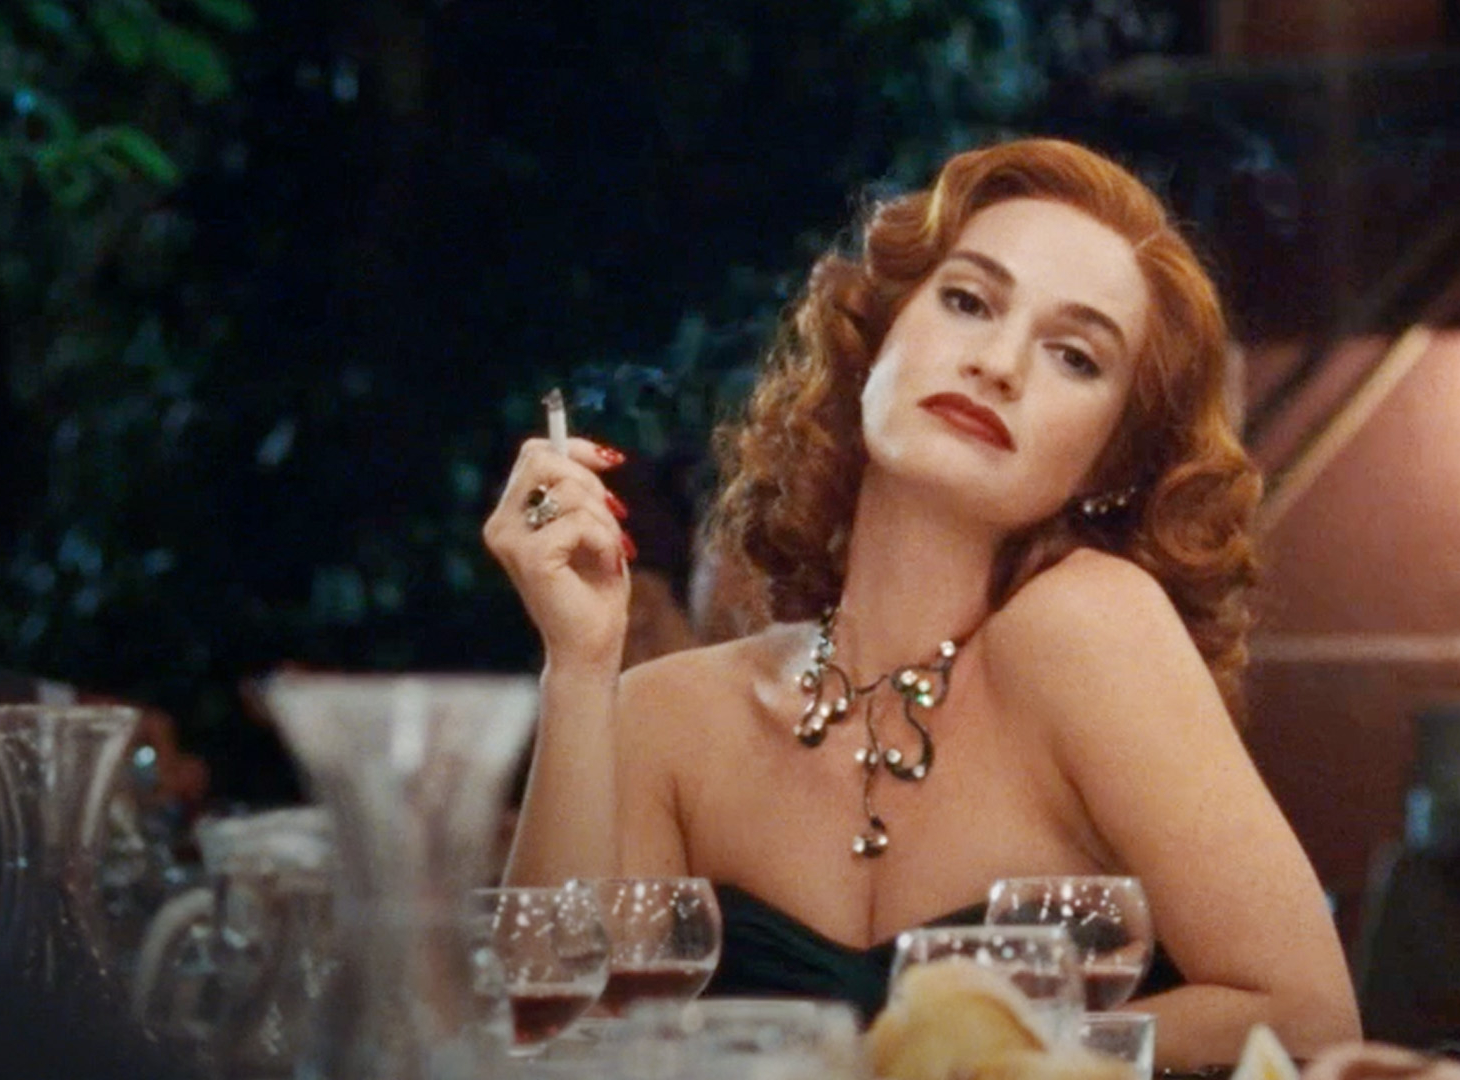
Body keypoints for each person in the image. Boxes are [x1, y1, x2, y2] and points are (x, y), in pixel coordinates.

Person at [483, 137, 1361, 1066]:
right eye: (968, 302)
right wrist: (578, 667)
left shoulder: (1087, 628)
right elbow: (550, 1046)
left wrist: (953, 1057)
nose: (999, 364)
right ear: (878, 338)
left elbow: (1305, 1017)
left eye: (1073, 356)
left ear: (1109, 464)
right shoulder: (666, 717)